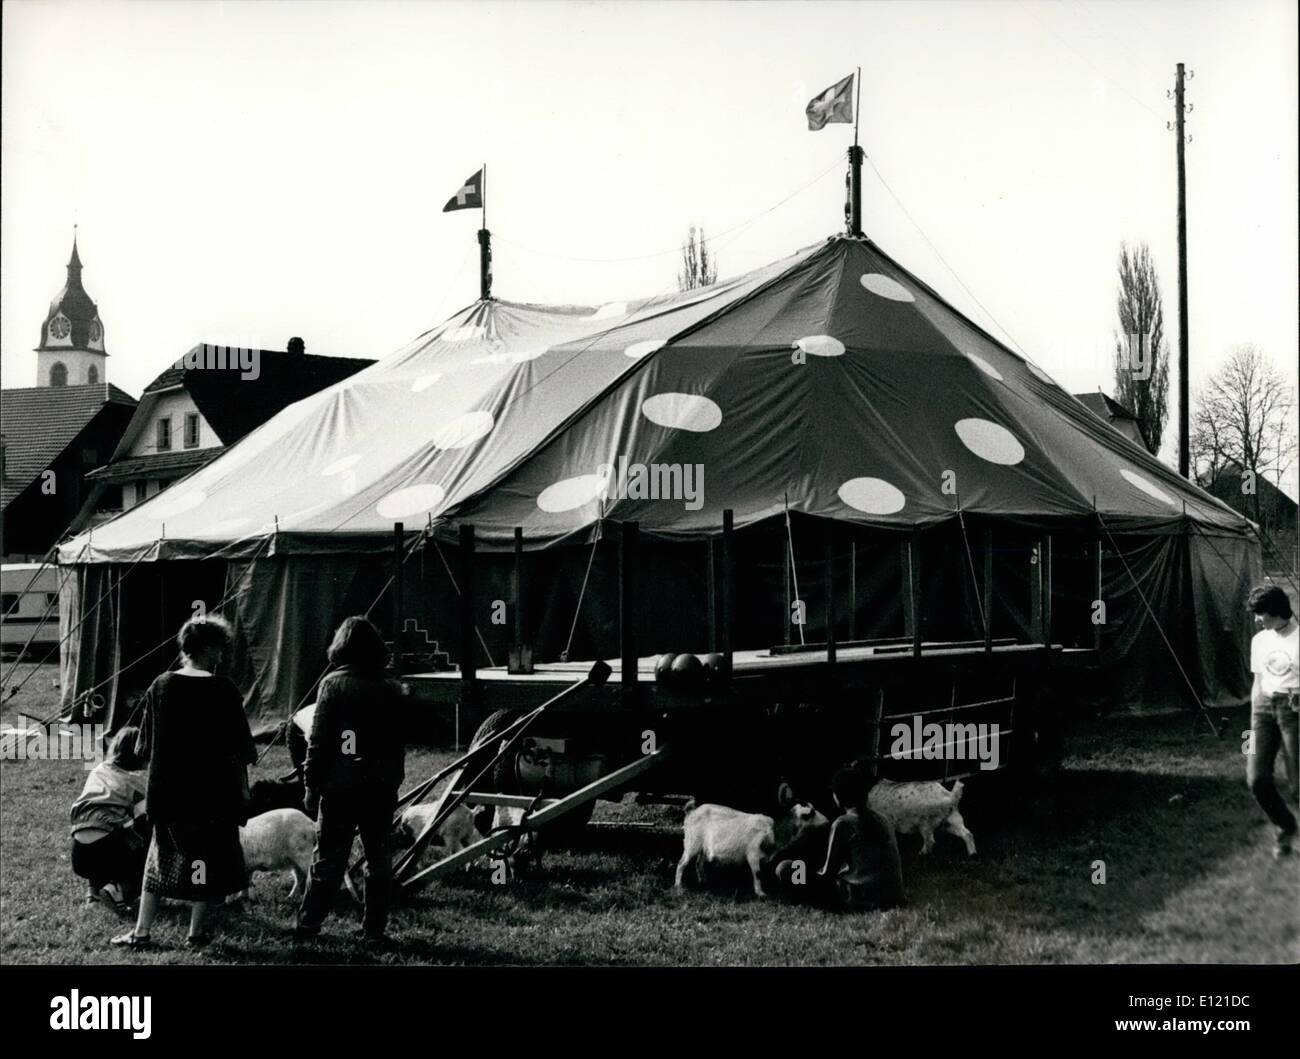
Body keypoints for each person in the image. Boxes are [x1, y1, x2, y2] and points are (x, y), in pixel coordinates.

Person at [111, 615, 256, 949]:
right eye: (219, 648)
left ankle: (142, 931)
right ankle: (195, 931)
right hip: (212, 798)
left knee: (158, 860)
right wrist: (241, 789)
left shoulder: (160, 686)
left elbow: (142, 747)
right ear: (205, 649)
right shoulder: (224, 690)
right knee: (203, 862)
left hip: (169, 796)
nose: (222, 655)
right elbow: (241, 751)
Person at [294, 616, 406, 943]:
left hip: (340, 786)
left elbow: (320, 739)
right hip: (380, 785)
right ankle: (374, 929)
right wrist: (392, 780)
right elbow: (397, 741)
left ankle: (308, 925)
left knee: (328, 859)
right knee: (379, 859)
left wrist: (311, 785)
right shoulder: (391, 687)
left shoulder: (333, 684)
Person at [776, 768, 905, 910]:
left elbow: (827, 875)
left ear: (838, 796)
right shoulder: (883, 819)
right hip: (894, 898)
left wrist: (811, 875)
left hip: (860, 900)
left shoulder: (843, 823)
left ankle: (799, 898)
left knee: (786, 867)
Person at [70, 725, 150, 914]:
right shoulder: (135, 782)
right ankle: (118, 890)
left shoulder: (99, 770)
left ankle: (93, 893)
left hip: (78, 852)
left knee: (98, 831)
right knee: (147, 851)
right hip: (107, 848)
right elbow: (145, 821)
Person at [1246, 584, 1299, 858]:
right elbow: (1258, 682)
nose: (1257, 619)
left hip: (1294, 709)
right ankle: (1286, 826)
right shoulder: (1260, 641)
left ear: (1277, 612)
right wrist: (1252, 727)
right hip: (1263, 709)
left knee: (1297, 784)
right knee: (1256, 780)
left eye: (1260, 613)